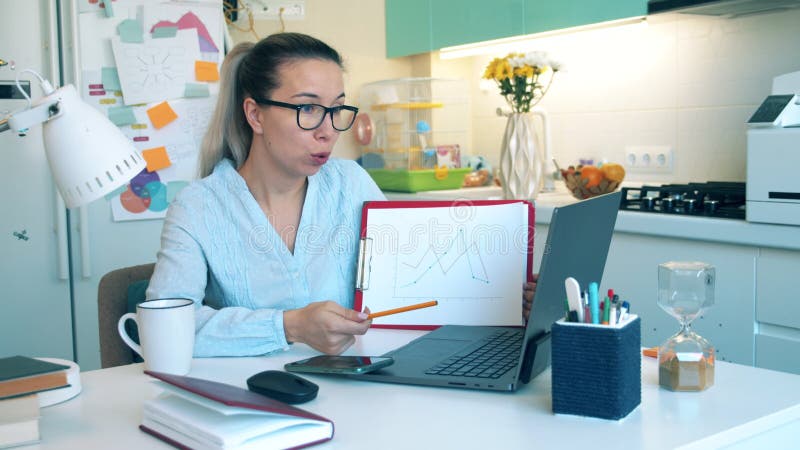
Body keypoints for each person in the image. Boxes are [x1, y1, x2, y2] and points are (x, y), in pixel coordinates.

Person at [147, 32, 537, 358]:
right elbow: (168, 330)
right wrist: (291, 326)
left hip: (360, 392)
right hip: (252, 403)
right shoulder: (198, 207)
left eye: (336, 110)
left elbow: (415, 286)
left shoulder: (352, 183)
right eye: (308, 109)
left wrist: (503, 298)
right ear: (255, 115)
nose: (328, 131)